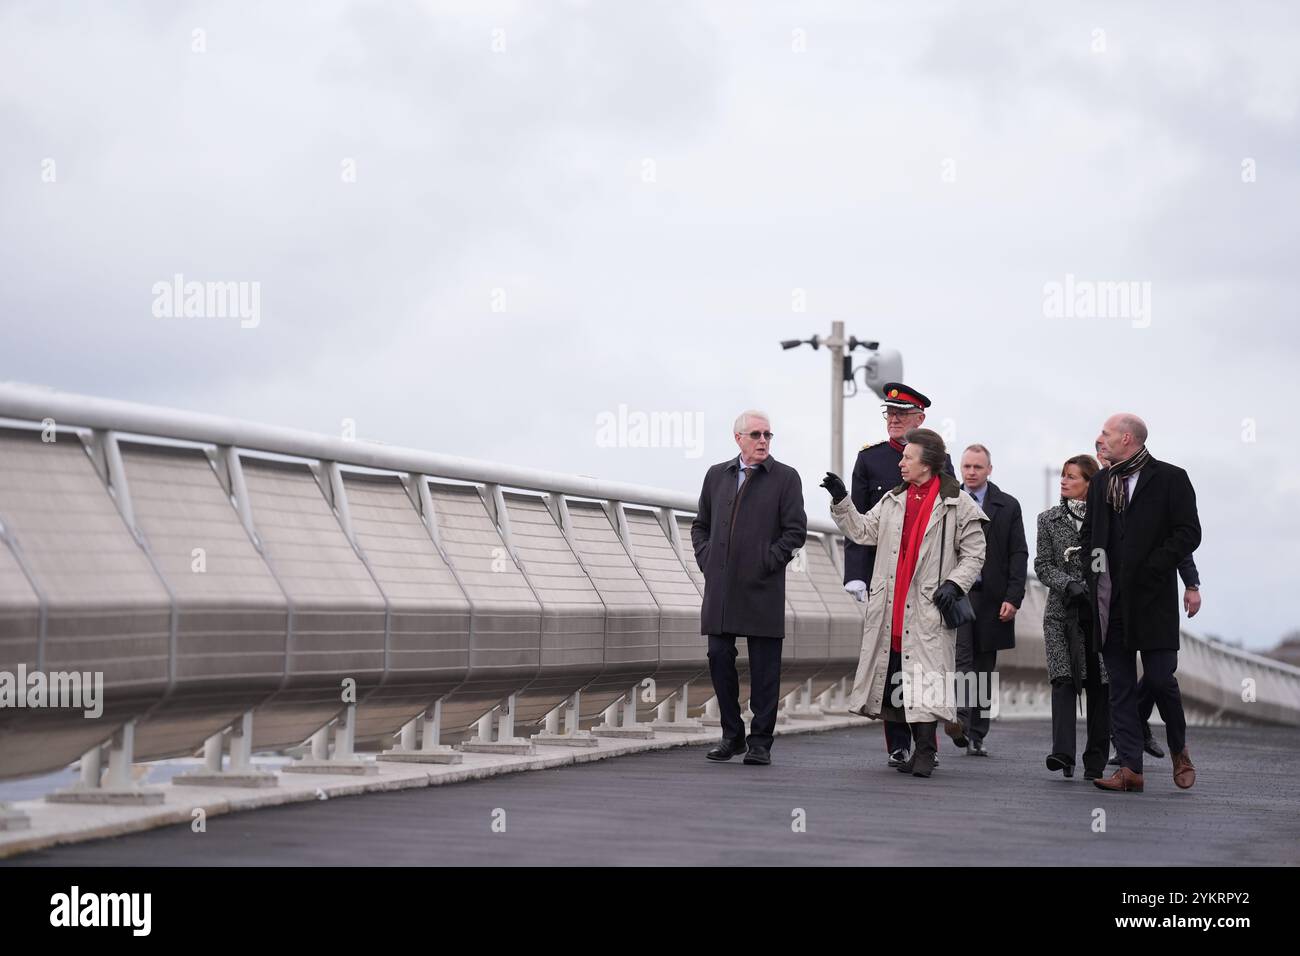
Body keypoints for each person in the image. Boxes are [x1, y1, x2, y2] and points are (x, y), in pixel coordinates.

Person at [821, 428, 986, 778]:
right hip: (891, 603)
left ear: (927, 464)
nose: (901, 463)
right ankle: (914, 748)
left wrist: (955, 585)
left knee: (924, 675)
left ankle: (926, 752)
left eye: (908, 457)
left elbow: (974, 553)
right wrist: (841, 500)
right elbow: (863, 531)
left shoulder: (958, 502)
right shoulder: (894, 498)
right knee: (898, 673)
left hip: (928, 604)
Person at [1082, 414, 1201, 793]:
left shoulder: (1170, 478)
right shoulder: (1101, 481)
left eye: (1106, 433)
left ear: (1127, 439)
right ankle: (1131, 768)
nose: (1100, 439)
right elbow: (1091, 536)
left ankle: (1179, 749)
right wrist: (1095, 573)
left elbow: (1188, 532)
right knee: (1119, 685)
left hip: (1154, 600)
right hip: (1110, 601)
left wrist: (1155, 567)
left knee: (1160, 678)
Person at [842, 382, 954, 767]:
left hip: (923, 584)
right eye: (889, 414)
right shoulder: (870, 460)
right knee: (889, 662)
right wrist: (855, 575)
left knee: (922, 662)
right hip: (885, 576)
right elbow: (860, 522)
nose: (893, 420)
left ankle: (927, 745)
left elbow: (953, 526)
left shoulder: (942, 463)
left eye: (901, 415)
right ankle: (897, 743)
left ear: (920, 419)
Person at [692, 410, 807, 767]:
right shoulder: (716, 475)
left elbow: (795, 532)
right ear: (738, 438)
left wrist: (768, 562)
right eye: (756, 434)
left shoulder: (785, 478)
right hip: (721, 587)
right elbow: (701, 525)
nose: (763, 441)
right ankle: (732, 735)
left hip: (763, 587)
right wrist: (708, 559)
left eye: (768, 435)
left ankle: (760, 742)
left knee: (764, 667)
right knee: (718, 656)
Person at [950, 444, 1027, 756]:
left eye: (977, 467)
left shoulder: (1007, 506)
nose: (971, 472)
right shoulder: (948, 500)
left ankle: (977, 734)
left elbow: (1018, 553)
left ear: (989, 470)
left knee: (983, 666)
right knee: (961, 659)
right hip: (956, 593)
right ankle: (961, 721)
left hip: (992, 597)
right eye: (966, 466)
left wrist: (1014, 597)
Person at [1035, 454, 1110, 780]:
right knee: (1062, 680)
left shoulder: (1107, 520)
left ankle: (1095, 761)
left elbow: (1111, 563)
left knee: (1099, 685)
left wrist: (1093, 586)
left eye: (1072, 477)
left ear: (1089, 484)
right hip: (1060, 614)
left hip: (1098, 615)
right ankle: (1062, 753)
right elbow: (1042, 565)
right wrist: (1068, 583)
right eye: (1063, 476)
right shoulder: (1048, 519)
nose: (1063, 481)